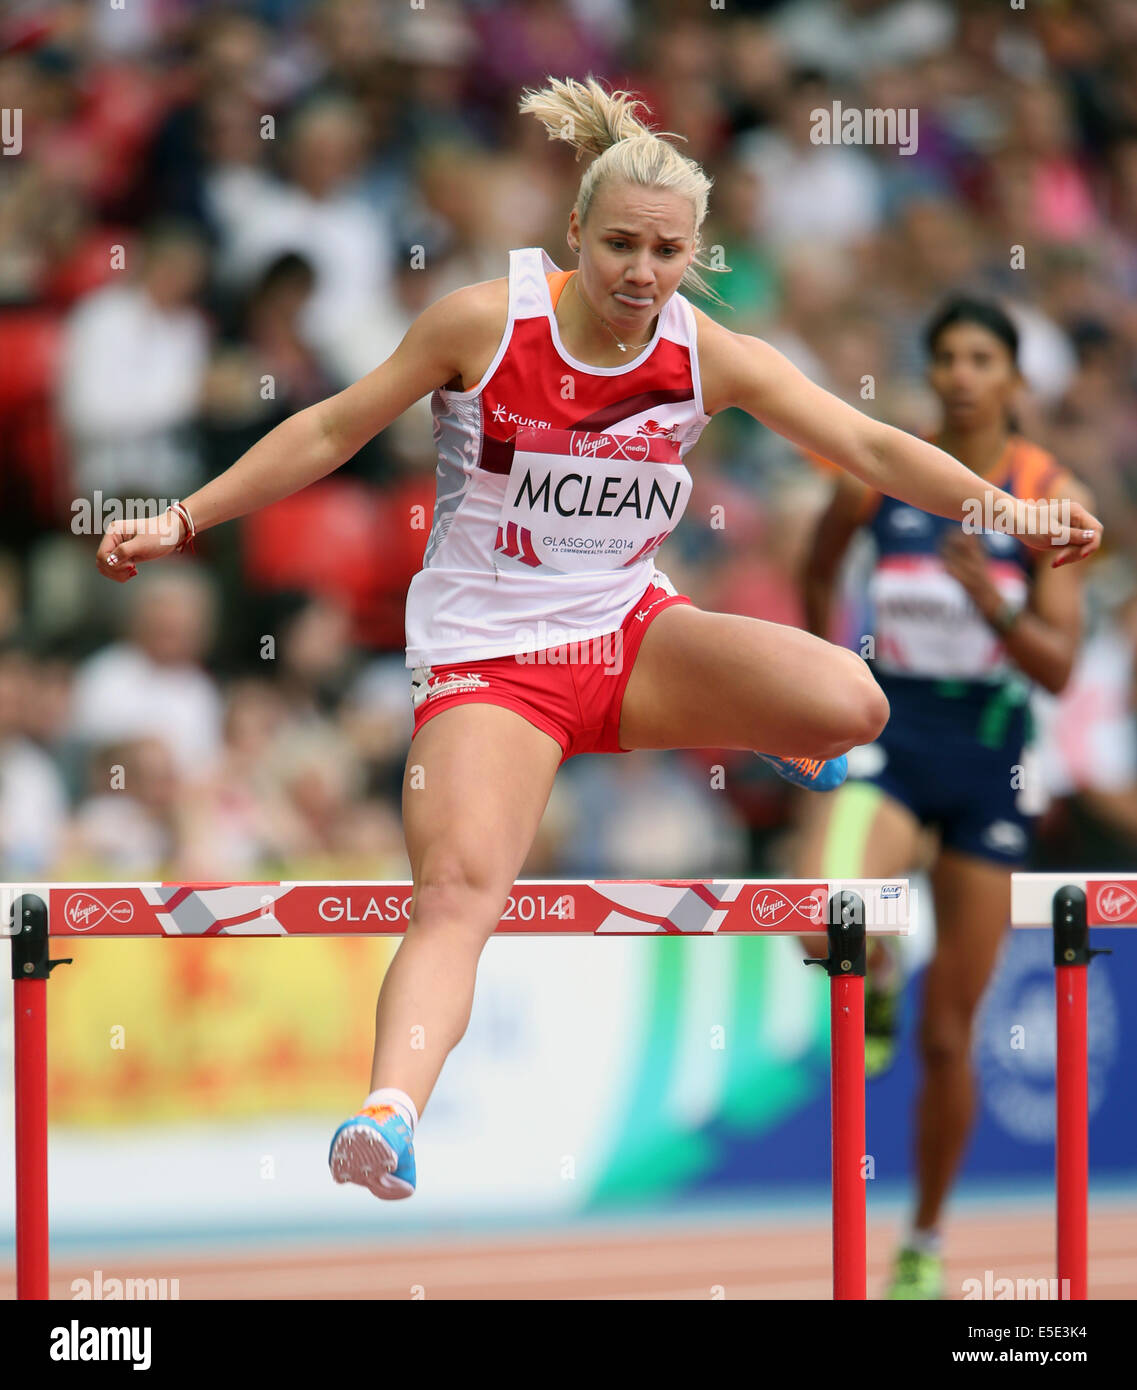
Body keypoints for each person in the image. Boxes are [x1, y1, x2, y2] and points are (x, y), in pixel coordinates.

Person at [95, 79, 1101, 1205]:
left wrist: (1009, 511)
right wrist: (184, 515)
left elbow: (868, 443)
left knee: (854, 706)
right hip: (489, 667)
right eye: (619, 243)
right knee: (464, 889)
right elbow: (332, 426)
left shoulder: (705, 352)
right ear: (573, 233)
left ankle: (772, 737)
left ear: (693, 253)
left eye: (667, 252)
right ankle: (388, 1112)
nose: (641, 272)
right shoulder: (486, 323)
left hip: (627, 640)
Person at [795, 295, 1094, 1298]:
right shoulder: (888, 468)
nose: (963, 374)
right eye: (948, 357)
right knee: (825, 912)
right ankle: (873, 968)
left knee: (947, 1034)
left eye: (982, 358)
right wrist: (825, 667)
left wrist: (990, 599)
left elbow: (1056, 668)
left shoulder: (1048, 494)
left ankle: (922, 1235)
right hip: (894, 730)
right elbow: (818, 563)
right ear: (931, 373)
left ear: (1014, 380)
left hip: (991, 757)